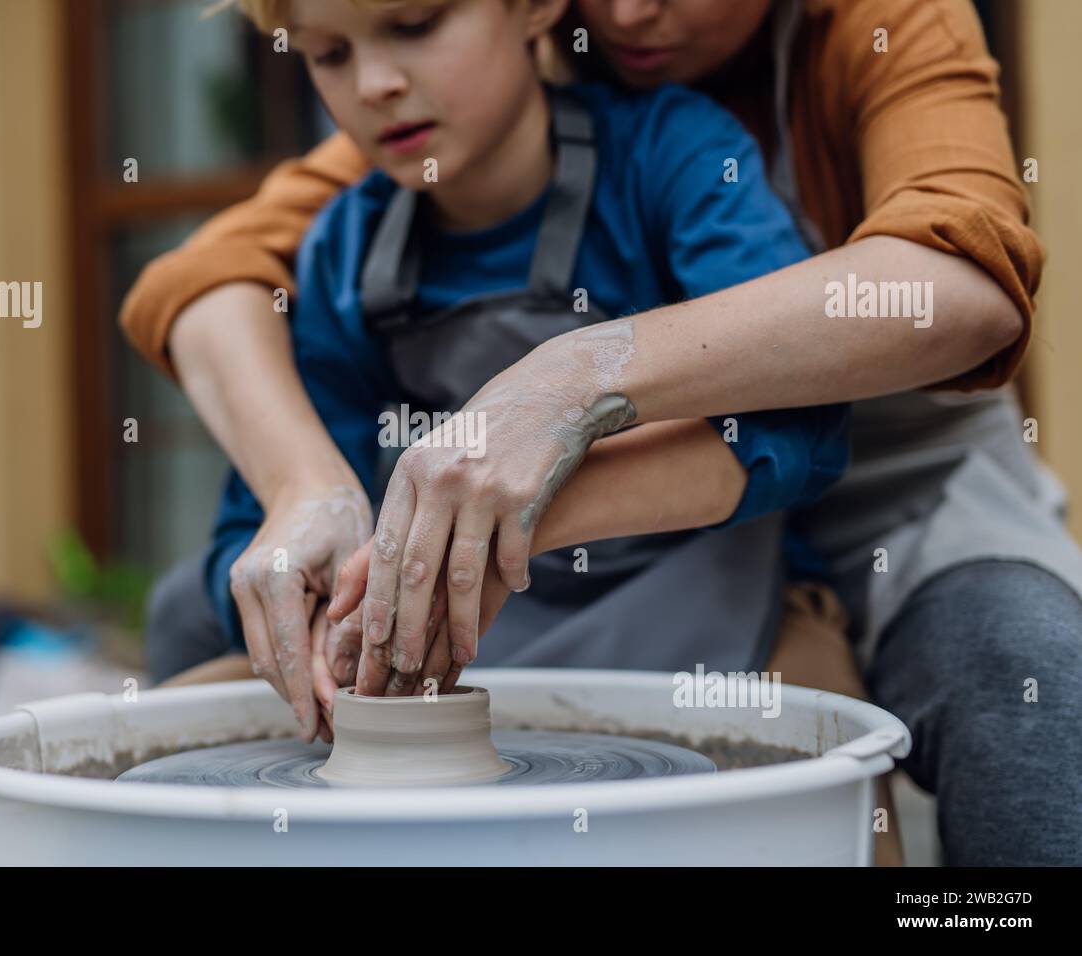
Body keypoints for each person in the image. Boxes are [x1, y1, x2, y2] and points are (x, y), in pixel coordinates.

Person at [125, 0, 1082, 864]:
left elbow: (904, 346)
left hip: (834, 505)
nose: (624, 13)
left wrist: (558, 416)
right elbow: (205, 275)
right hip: (512, 610)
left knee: (1002, 673)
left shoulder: (691, 139)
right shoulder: (372, 201)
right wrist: (306, 515)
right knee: (181, 672)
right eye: (327, 54)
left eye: (415, 27)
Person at [203, 0, 846, 740]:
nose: (375, 83)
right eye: (329, 55)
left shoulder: (672, 156)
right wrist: (299, 600)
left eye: (415, 26)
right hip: (472, 648)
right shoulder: (346, 248)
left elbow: (807, 429)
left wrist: (513, 514)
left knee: (827, 760)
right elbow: (262, 528)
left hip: (723, 624)